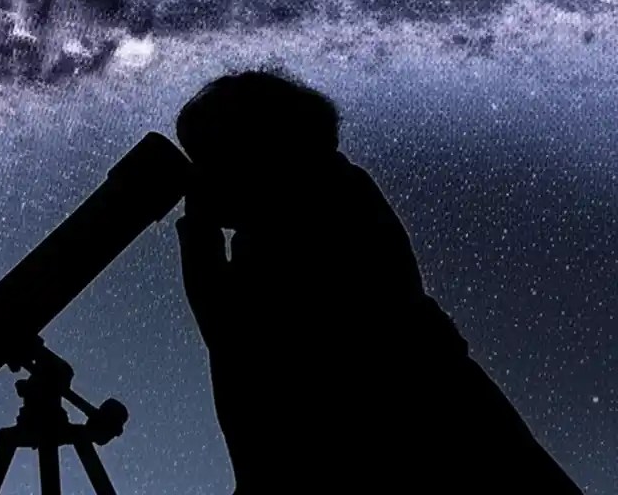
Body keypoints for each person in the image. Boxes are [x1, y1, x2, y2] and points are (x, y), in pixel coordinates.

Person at [173, 69, 581, 494]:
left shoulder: (313, 216)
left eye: (207, 156)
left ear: (252, 149)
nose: (197, 176)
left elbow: (239, 341)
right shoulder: (311, 206)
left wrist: (199, 232)